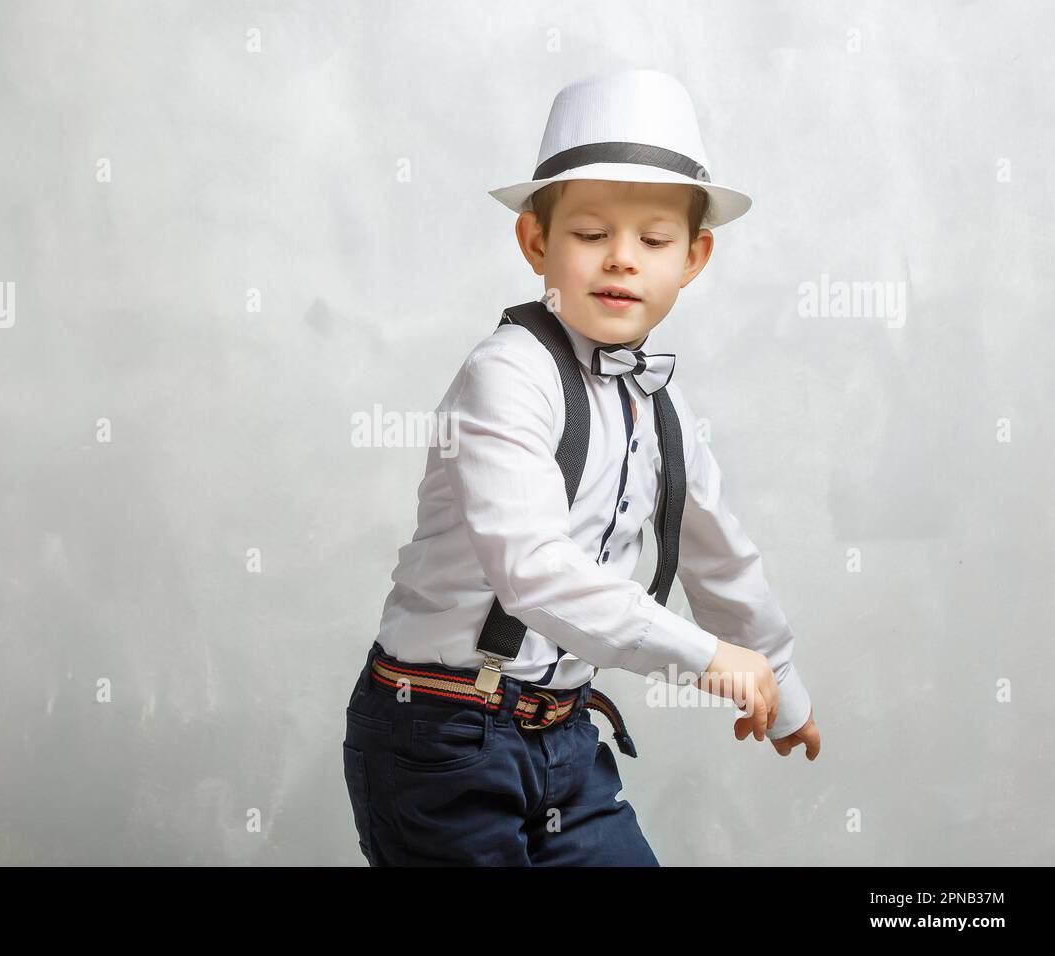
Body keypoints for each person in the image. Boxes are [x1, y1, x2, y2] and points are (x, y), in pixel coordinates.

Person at [342, 69, 821, 867]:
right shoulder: (507, 375)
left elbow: (720, 554)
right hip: (438, 733)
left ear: (695, 256)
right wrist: (705, 658)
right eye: (592, 235)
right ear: (537, 242)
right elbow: (534, 571)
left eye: (655, 241)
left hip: (563, 733)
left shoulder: (660, 407)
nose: (622, 261)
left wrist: (779, 683)